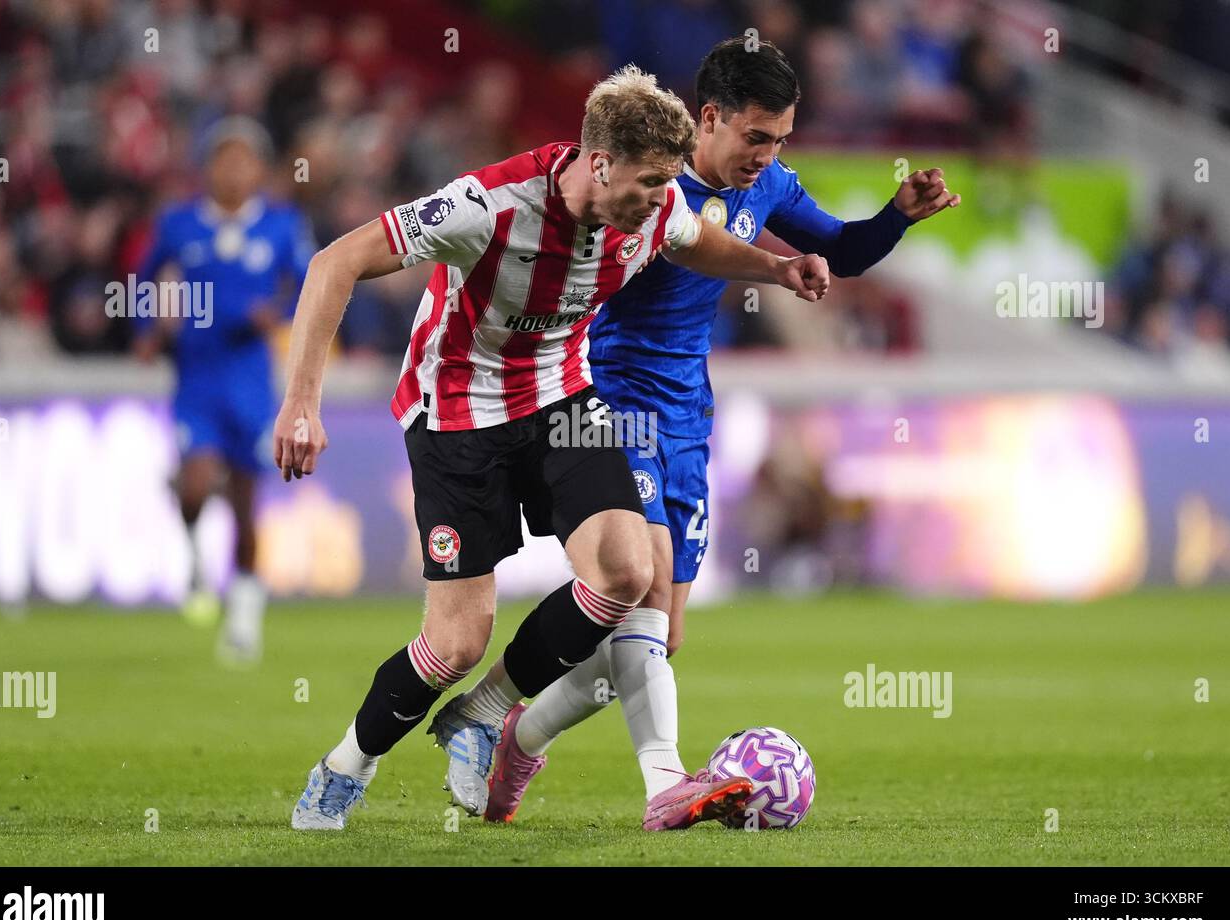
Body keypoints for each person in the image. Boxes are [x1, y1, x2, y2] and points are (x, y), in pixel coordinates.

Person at [276, 65, 830, 830]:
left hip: (561, 399)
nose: (654, 205)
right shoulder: (488, 206)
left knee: (629, 572)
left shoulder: (657, 203)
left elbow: (694, 239)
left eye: (665, 186)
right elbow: (334, 262)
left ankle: (486, 715)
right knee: (456, 642)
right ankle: (347, 766)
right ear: (598, 165)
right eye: (643, 186)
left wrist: (775, 265)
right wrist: (303, 401)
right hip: (458, 416)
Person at [480, 37, 961, 830]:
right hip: (609, 392)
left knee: (658, 639)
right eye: (757, 137)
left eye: (781, 140)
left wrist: (897, 217)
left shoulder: (767, 184)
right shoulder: (651, 175)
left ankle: (519, 735)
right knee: (643, 585)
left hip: (685, 412)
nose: (768, 156)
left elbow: (839, 248)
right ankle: (663, 783)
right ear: (710, 117)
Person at [135, 117, 315, 664]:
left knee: (244, 505)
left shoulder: (281, 225)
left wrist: (276, 315)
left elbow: (310, 284)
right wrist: (148, 328)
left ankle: (242, 619)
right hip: (197, 377)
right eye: (223, 159)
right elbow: (143, 276)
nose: (233, 170)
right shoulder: (178, 223)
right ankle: (192, 555)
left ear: (259, 169)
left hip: (252, 383)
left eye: (244, 160)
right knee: (193, 485)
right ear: (208, 167)